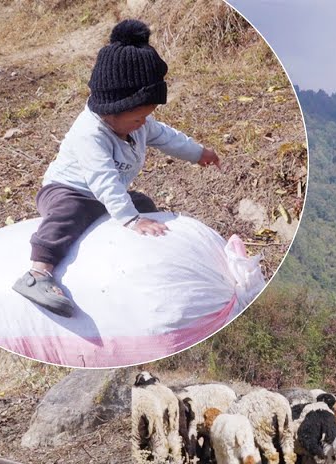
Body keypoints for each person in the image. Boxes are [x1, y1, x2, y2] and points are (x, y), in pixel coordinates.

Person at [12, 18, 220, 318]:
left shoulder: (139, 124)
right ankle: (37, 273)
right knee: (70, 214)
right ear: (111, 110)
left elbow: (166, 137)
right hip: (67, 190)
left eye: (147, 115)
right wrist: (130, 221)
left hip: (104, 195)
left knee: (143, 204)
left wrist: (199, 153)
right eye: (138, 117)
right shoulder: (90, 133)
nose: (143, 123)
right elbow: (102, 178)